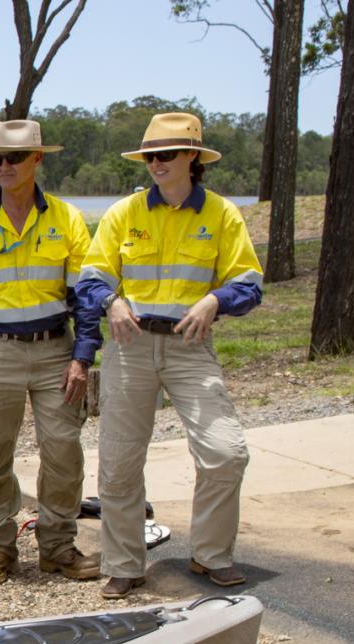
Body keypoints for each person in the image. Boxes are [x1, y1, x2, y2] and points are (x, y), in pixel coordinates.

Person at [77, 112, 262, 599]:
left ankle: (211, 556)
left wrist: (216, 299)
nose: (155, 164)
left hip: (190, 347)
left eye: (165, 155)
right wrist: (111, 304)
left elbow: (249, 284)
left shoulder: (221, 215)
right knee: (118, 462)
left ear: (192, 159)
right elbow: (91, 278)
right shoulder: (125, 213)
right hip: (131, 346)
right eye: (149, 156)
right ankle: (124, 564)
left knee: (225, 453)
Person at [0, 119, 102, 588]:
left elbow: (85, 299)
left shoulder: (66, 220)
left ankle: (57, 547)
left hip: (55, 353)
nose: (3, 167)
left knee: (63, 451)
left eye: (14, 158)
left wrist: (82, 358)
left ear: (37, 160)